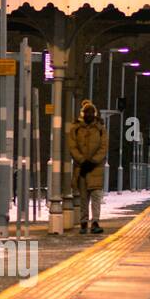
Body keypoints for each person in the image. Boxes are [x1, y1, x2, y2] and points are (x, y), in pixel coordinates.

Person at [67, 99, 106, 233]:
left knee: (95, 196)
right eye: (86, 112)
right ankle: (84, 222)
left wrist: (93, 161)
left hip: (96, 168)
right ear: (83, 113)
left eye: (91, 112)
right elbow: (72, 146)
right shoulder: (76, 128)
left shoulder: (100, 129)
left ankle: (95, 222)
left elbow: (103, 147)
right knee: (84, 197)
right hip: (82, 168)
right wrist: (82, 160)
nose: (89, 114)